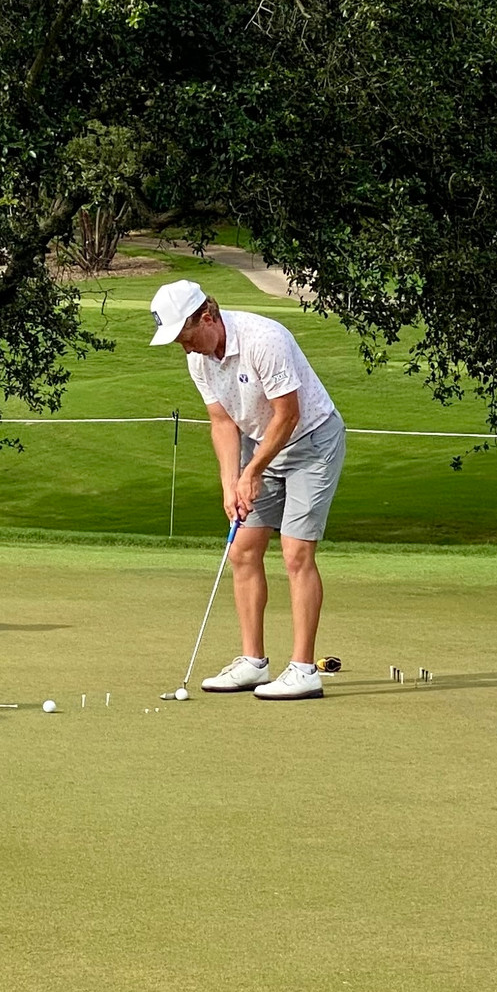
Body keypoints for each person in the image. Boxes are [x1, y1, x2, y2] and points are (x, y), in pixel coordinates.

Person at [150, 279, 345, 700]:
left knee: (295, 551)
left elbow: (288, 414)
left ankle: (304, 669)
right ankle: (253, 663)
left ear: (207, 316)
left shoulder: (264, 339)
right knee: (242, 548)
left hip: (312, 440)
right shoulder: (199, 359)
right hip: (259, 443)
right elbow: (221, 422)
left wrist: (252, 470)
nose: (184, 347)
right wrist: (230, 482)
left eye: (185, 335)